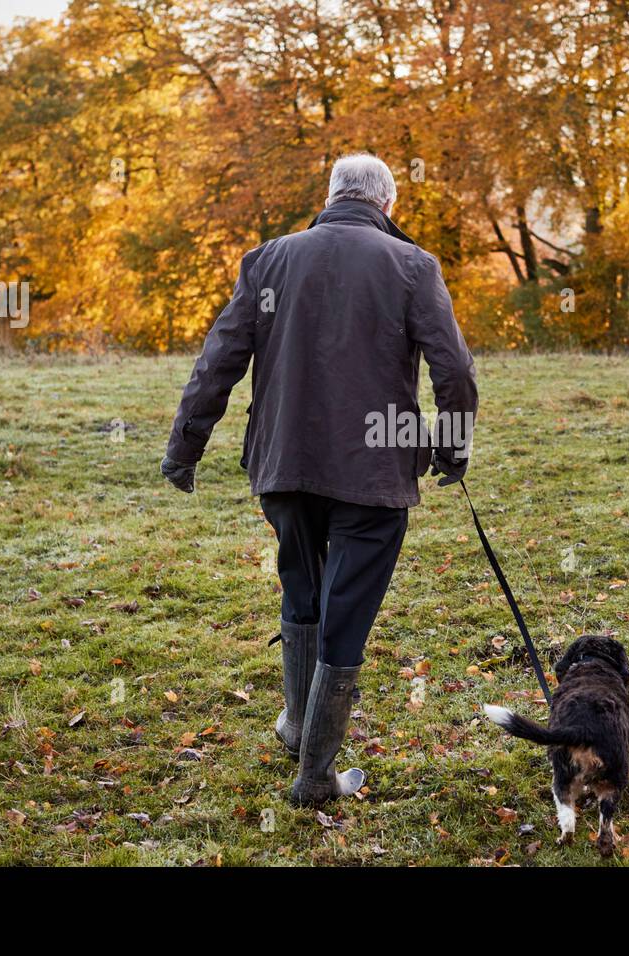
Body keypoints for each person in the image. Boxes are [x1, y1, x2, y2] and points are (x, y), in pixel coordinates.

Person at [160, 153, 478, 806]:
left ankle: (300, 726)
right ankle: (313, 774)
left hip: (284, 465)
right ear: (388, 205)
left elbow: (216, 361)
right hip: (373, 474)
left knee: (301, 588)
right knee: (347, 614)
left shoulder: (268, 260)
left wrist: (184, 449)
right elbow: (455, 371)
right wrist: (451, 450)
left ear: (330, 195)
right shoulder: (413, 266)